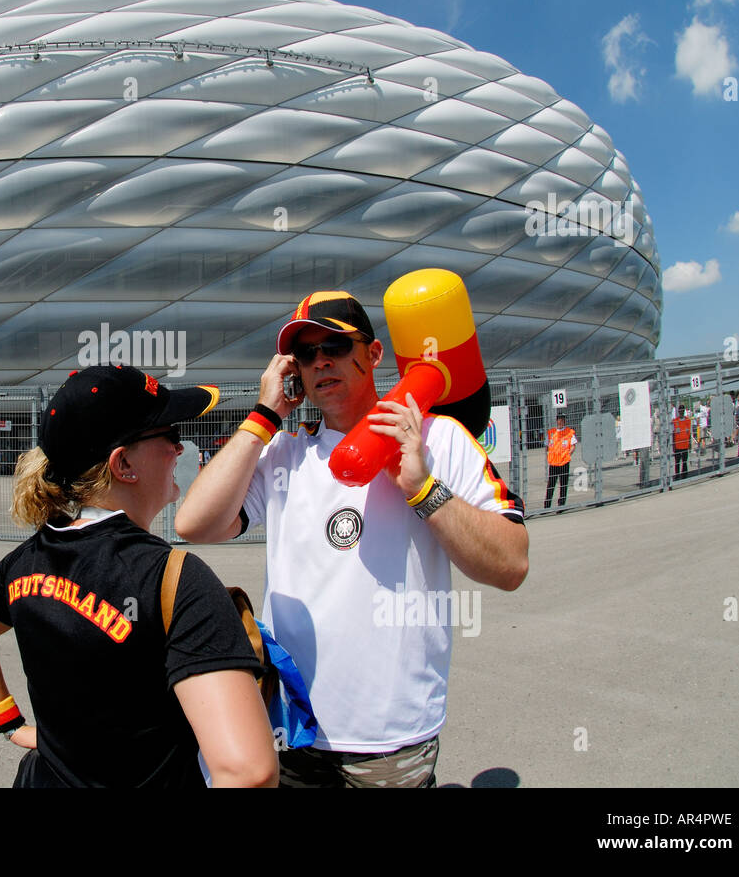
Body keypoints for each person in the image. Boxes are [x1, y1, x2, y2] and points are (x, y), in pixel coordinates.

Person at [175, 290, 528, 788]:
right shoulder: (283, 452)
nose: (320, 362)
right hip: (292, 725)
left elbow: (511, 565)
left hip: (390, 738)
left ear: (374, 354)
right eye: (305, 353)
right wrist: (264, 414)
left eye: (336, 347)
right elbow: (193, 523)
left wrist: (423, 489)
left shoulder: (440, 438)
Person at [0, 365, 277, 788]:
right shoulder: (174, 578)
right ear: (124, 464)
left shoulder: (24, 562)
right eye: (169, 435)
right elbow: (249, 772)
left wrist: (11, 725)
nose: (180, 449)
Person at [544, 413, 577, 508]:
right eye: (559, 420)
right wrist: (549, 455)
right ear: (557, 420)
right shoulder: (551, 432)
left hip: (564, 462)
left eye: (563, 420)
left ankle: (561, 505)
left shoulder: (569, 432)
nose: (561, 421)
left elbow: (573, 445)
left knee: (563, 484)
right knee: (551, 484)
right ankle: (547, 505)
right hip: (553, 462)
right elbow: (546, 446)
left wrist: (568, 454)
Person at [671, 405, 692, 479]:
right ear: (678, 411)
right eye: (680, 411)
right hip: (677, 445)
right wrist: (673, 445)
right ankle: (677, 475)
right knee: (677, 462)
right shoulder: (675, 421)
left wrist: (690, 443)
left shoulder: (688, 420)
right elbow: (673, 434)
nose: (681, 412)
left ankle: (684, 475)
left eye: (682, 410)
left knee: (684, 461)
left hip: (685, 444)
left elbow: (689, 433)